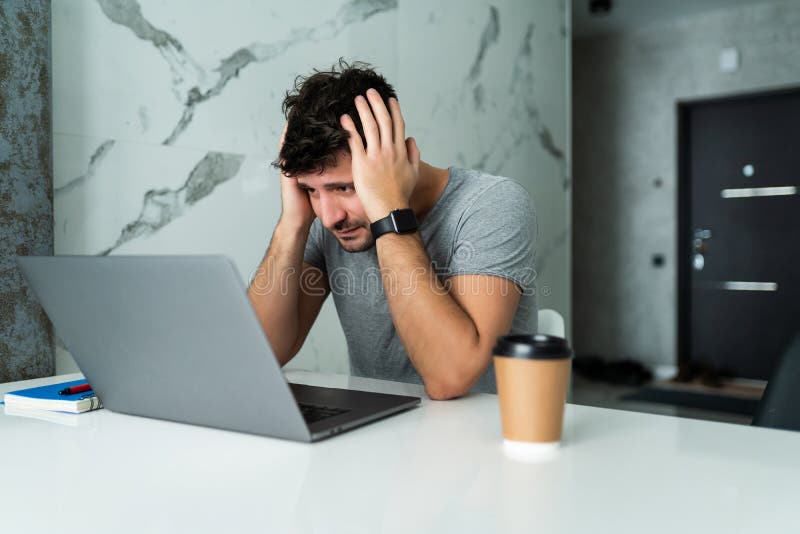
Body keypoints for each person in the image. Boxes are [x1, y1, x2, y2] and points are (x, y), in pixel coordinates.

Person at [248, 60, 537, 399]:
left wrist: (389, 211)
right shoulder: (326, 220)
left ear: (394, 158)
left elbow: (450, 378)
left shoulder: (491, 204)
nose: (328, 217)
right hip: (377, 435)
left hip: (479, 439)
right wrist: (292, 225)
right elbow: (259, 356)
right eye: (311, 190)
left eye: (345, 187)